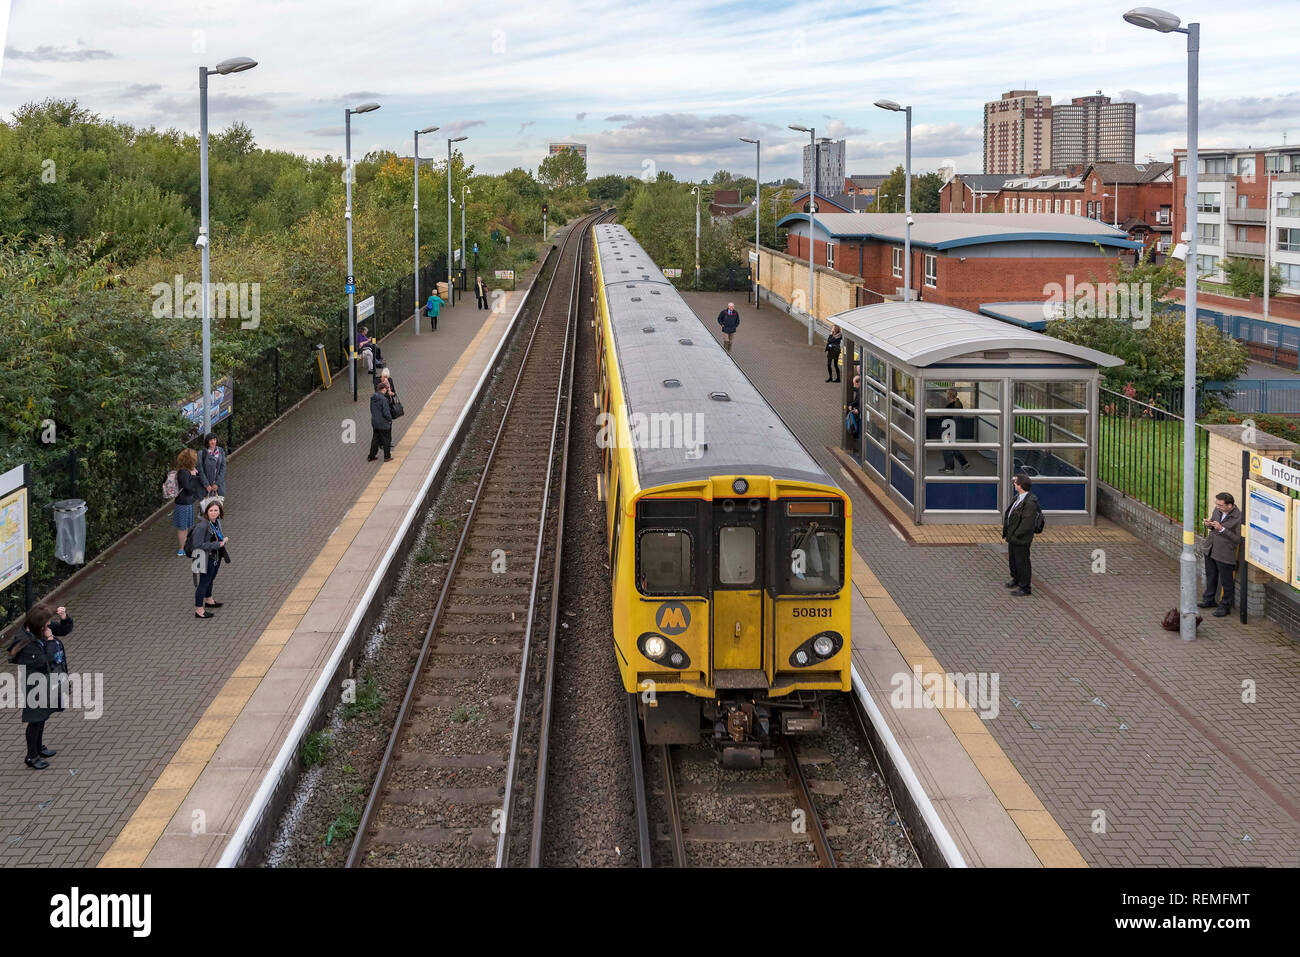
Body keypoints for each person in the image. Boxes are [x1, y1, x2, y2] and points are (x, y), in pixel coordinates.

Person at [7, 603, 72, 769]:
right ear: (39, 624)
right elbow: (44, 662)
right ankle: (31, 756)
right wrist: (50, 640)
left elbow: (64, 630)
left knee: (42, 717)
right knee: (35, 720)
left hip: (45, 683)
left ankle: (39, 747)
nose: (50, 625)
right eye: (47, 623)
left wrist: (64, 618)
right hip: (35, 687)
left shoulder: (40, 629)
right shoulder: (26, 644)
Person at [1199, 491, 1243, 617]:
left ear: (1230, 505)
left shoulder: (1238, 518)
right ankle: (1209, 599)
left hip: (1224, 553)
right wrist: (1209, 524)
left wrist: (1222, 529)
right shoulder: (1217, 510)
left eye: (1221, 505)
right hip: (1211, 548)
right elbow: (1214, 525)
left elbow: (1238, 539)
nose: (1218, 507)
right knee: (1211, 575)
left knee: (1226, 581)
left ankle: (1225, 606)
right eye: (1217, 504)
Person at [1002, 472, 1042, 597]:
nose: (1014, 484)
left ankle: (1025, 587)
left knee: (1022, 562)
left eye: (1015, 482)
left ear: (1020, 485)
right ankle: (1016, 579)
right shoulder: (1018, 497)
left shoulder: (1029, 503)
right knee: (1013, 560)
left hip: (1020, 538)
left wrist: (1016, 534)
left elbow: (1027, 523)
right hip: (1013, 536)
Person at [190, 500, 228, 619]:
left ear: (220, 511)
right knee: (203, 583)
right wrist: (218, 544)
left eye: (216, 510)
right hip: (205, 558)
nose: (213, 513)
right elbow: (197, 544)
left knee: (211, 579)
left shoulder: (216, 522)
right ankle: (199, 610)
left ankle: (209, 599)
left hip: (214, 557)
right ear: (206, 512)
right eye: (211, 510)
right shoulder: (202, 526)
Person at [173, 448, 204, 556]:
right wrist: (195, 477)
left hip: (188, 502)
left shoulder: (189, 470)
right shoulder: (183, 472)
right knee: (183, 527)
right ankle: (182, 549)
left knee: (187, 525)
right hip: (183, 503)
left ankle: (186, 545)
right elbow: (188, 487)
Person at [940, 387, 971, 474]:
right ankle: (963, 463)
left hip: (950, 430)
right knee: (952, 447)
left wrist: (949, 432)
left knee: (947, 448)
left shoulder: (953, 405)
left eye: (947, 394)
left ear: (950, 395)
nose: (946, 396)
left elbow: (954, 420)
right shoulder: (956, 404)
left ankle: (950, 468)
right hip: (950, 429)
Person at [368, 379, 394, 462]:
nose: (386, 390)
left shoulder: (373, 397)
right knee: (386, 440)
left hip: (375, 422)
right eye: (386, 389)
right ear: (383, 389)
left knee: (375, 439)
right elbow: (386, 412)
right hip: (383, 423)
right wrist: (389, 420)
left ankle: (371, 456)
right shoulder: (384, 399)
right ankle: (387, 456)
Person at [197, 432, 227, 501]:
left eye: (214, 440)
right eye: (211, 440)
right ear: (207, 442)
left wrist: (217, 483)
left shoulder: (221, 451)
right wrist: (206, 485)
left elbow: (223, 468)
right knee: (205, 508)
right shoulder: (202, 453)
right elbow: (200, 471)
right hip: (206, 487)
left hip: (219, 486)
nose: (213, 442)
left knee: (218, 508)